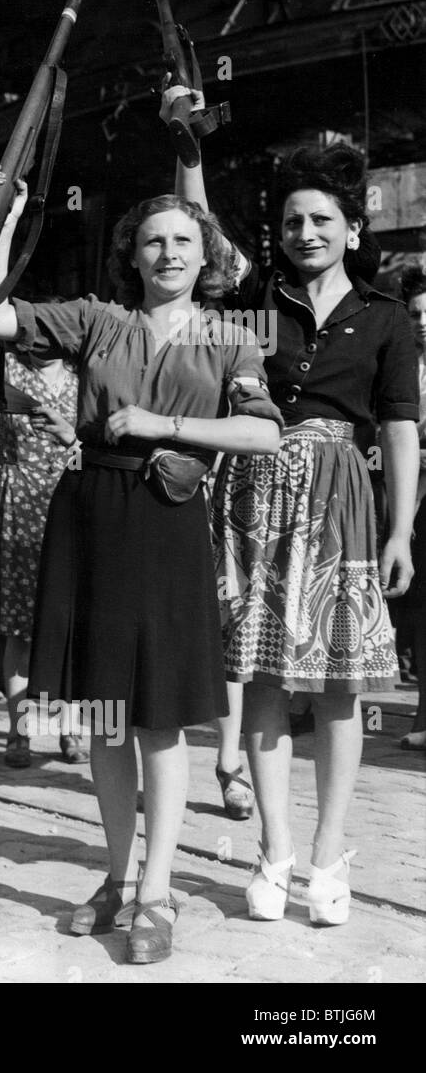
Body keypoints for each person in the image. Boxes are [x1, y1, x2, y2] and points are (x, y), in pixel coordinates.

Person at [0, 173, 283, 964]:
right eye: (154, 240)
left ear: (205, 253)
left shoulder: (232, 336)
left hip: (170, 519)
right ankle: (114, 877)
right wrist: (2, 220)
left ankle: (156, 889)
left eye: (183, 239)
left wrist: (164, 422)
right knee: (105, 710)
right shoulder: (96, 319)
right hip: (91, 515)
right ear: (133, 256)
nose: (169, 251)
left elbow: (263, 435)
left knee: (159, 715)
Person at [185, 125, 418, 926]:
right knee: (264, 677)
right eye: (292, 222)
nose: (306, 234)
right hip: (253, 496)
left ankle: (327, 857)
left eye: (321, 220)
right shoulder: (253, 306)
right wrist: (191, 148)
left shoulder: (388, 318)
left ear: (353, 229)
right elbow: (201, 237)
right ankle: (274, 851)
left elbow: (398, 428)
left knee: (340, 684)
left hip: (341, 499)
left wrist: (400, 530)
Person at [0, 348, 88, 768]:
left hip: (71, 502)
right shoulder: (6, 371)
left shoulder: (85, 375)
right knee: (19, 628)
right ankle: (19, 731)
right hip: (19, 503)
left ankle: (71, 729)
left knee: (72, 625)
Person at [395, 265, 426, 752]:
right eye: (416, 313)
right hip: (412, 499)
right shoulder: (405, 365)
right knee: (418, 611)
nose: (422, 321)